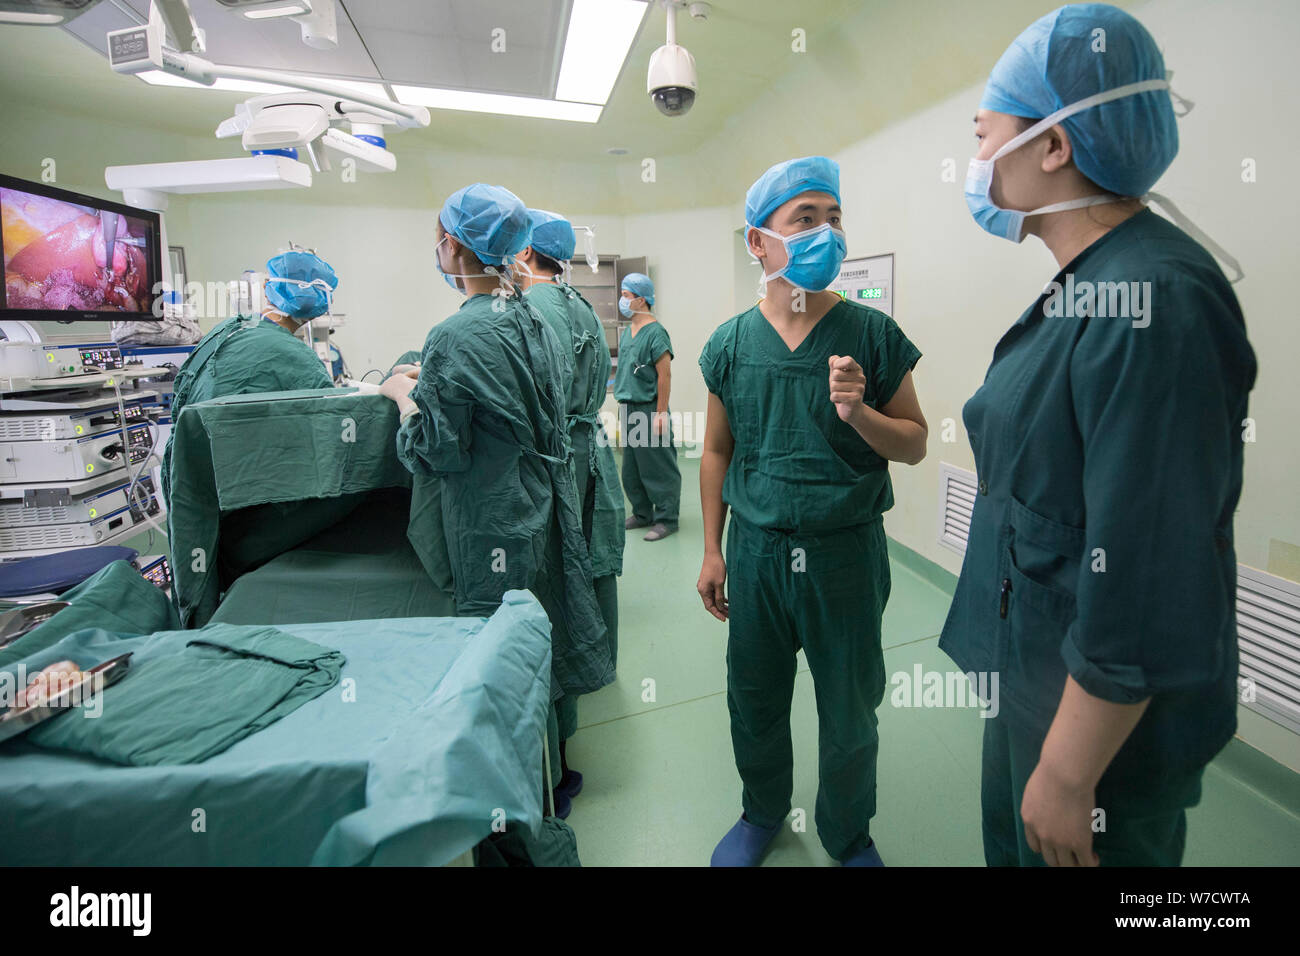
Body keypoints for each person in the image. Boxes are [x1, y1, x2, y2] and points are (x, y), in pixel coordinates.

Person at [941, 3, 1256, 867]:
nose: (975, 162)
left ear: (1053, 146)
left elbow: (1149, 566)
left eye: (985, 134)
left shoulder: (1157, 300)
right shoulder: (1090, 284)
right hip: (1036, 686)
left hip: (1097, 746)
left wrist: (1072, 774)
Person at [696, 156, 927, 866]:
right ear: (758, 242)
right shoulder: (732, 344)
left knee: (850, 711)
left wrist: (859, 414)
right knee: (755, 698)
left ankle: (848, 832)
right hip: (759, 553)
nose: (827, 232)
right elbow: (715, 453)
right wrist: (712, 549)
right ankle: (762, 812)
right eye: (806, 219)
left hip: (844, 554)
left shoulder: (873, 335)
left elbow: (915, 444)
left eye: (835, 218)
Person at [379, 185, 614, 783]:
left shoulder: (455, 336)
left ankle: (518, 790)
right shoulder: (534, 316)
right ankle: (557, 769)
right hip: (547, 496)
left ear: (452, 247)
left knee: (500, 640)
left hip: (494, 514)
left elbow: (438, 449)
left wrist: (405, 397)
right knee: (547, 621)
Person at [514, 209, 626, 811]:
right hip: (585, 455)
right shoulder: (578, 303)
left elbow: (531, 396)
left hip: (557, 460)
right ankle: (590, 673)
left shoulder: (532, 310)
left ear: (523, 253)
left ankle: (551, 758)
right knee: (584, 574)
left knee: (556, 585)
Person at [161, 249, 336, 506]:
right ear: (321, 306)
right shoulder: (295, 354)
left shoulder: (227, 329)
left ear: (267, 288)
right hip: (233, 493)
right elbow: (328, 429)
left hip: (185, 474)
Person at [613, 272, 681, 541]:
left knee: (658, 467)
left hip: (649, 407)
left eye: (626, 296)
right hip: (628, 407)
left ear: (641, 300)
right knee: (632, 468)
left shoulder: (656, 332)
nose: (622, 300)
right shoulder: (629, 331)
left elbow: (664, 375)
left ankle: (667, 518)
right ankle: (642, 514)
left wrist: (661, 413)